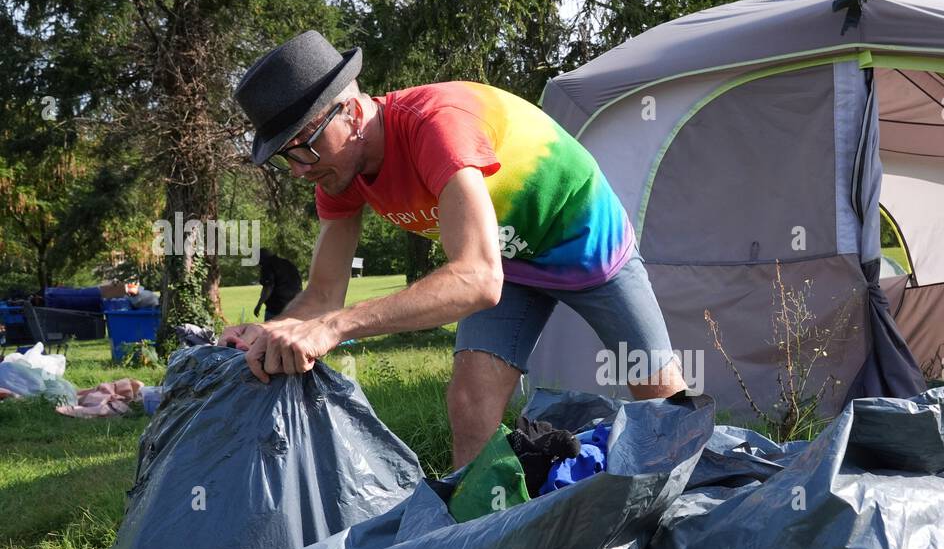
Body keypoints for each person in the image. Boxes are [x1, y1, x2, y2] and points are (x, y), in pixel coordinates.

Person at [224, 31, 686, 469]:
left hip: (586, 243)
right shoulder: (338, 172)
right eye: (288, 157)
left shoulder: (436, 125)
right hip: (506, 262)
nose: (299, 172)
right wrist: (272, 331)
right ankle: (480, 539)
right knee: (470, 405)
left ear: (352, 113)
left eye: (303, 148)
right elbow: (323, 296)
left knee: (661, 399)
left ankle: (699, 512)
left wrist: (335, 328)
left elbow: (477, 280)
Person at [253, 249, 303, 321]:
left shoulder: (267, 266)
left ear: (261, 258)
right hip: (295, 304)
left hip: (277, 308)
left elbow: (268, 288)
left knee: (270, 331)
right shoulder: (288, 263)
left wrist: (259, 305)